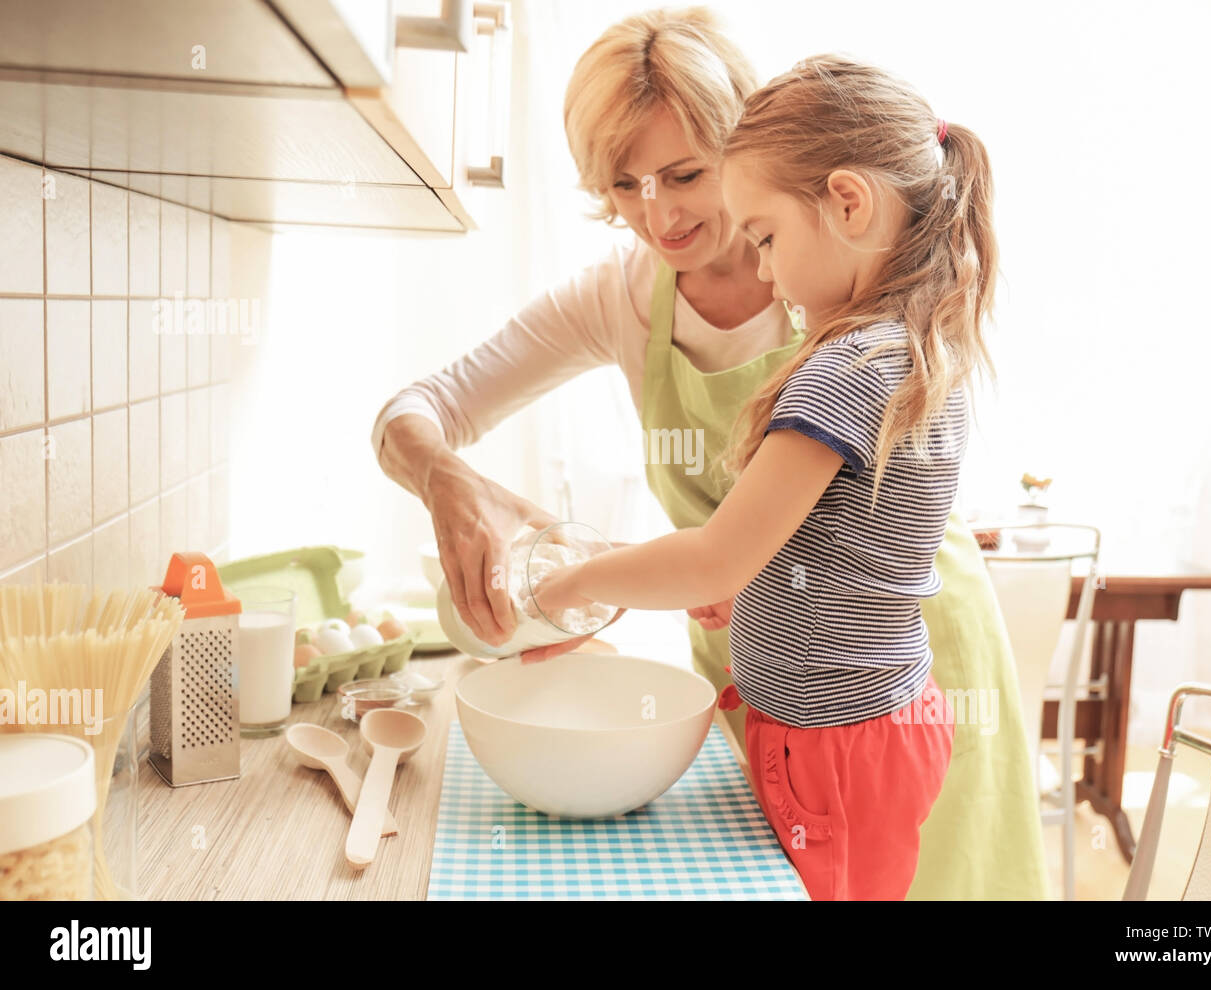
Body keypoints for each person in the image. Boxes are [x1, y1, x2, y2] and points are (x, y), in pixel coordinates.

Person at [371, 7, 1047, 899]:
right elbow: (413, 411)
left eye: (686, 174)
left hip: (892, 662)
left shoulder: (830, 301)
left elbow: (738, 547)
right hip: (775, 672)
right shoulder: (635, 299)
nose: (657, 213)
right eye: (623, 183)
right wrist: (447, 480)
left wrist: (573, 579)